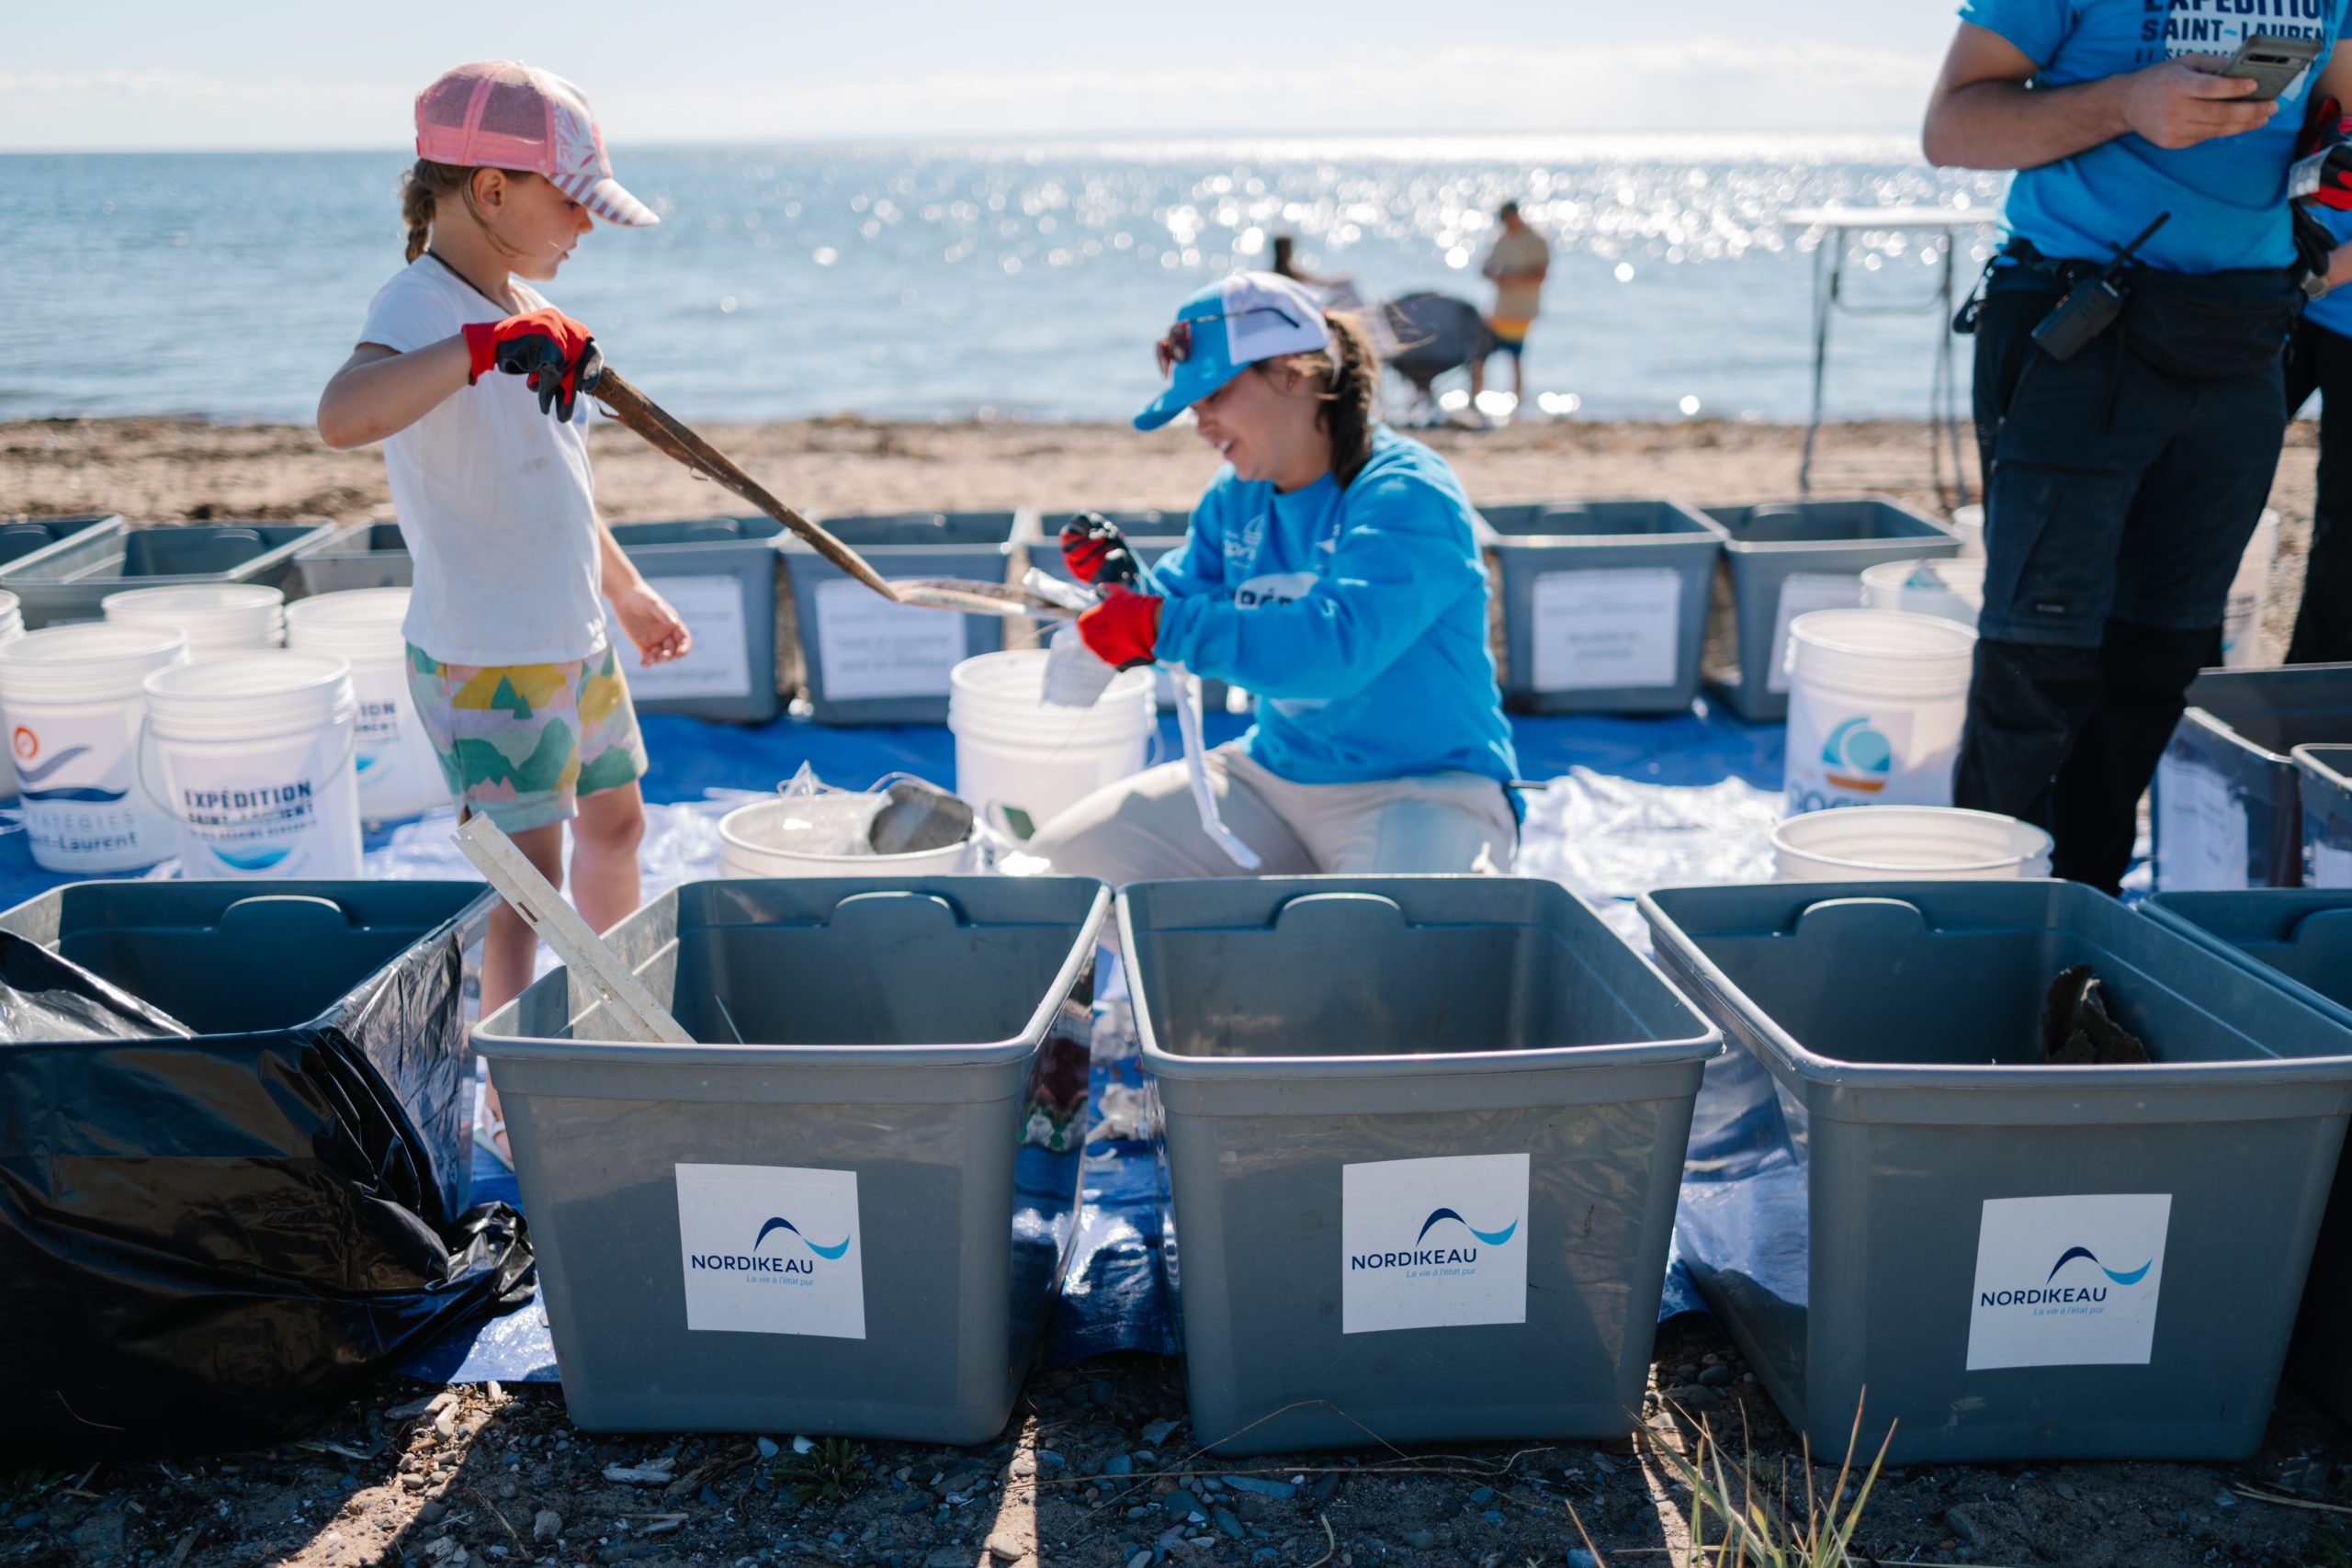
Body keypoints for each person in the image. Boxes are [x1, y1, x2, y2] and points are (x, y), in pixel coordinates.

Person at [315, 60, 691, 1159]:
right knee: (530, 884)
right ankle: (508, 1094)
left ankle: (611, 1013)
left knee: (618, 824)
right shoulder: (423, 305)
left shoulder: (531, 310)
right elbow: (343, 415)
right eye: (571, 200)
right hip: (490, 656)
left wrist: (625, 592)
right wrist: (477, 350)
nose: (586, 223)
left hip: (570, 636)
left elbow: (557, 477)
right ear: (488, 189)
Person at [1923, 6, 2352, 892]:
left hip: (2240, 341)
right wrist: (2126, 103)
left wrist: (2311, 263)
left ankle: (2084, 914)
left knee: (2160, 663)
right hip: (2075, 318)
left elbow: (2341, 125)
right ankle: (1976, 923)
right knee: (2036, 664)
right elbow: (1951, 126)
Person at [1024, 272, 1521, 885]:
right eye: (1193, 405)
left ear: (1293, 371)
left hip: (1423, 789)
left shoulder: (1406, 493)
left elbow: (1335, 650)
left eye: (1215, 395)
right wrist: (1126, 588)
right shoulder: (1235, 497)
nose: (1201, 423)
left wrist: (1158, 624)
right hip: (1276, 775)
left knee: (1376, 954)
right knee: (1052, 876)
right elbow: (1178, 602)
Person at [2286, 198, 2352, 665]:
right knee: (2200, 491)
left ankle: (2305, 689)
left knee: (2345, 525)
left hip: (2283, 289)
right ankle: (2190, 681)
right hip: (2282, 299)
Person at [1469, 201, 1550, 413]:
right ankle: (1474, 401)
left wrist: (1509, 278)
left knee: (1515, 358)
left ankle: (1518, 404)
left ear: (1516, 215)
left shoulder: (1535, 240)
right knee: (1479, 355)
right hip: (1499, 311)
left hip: (1521, 312)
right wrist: (1493, 275)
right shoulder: (1503, 239)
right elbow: (1485, 267)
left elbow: (1539, 275)